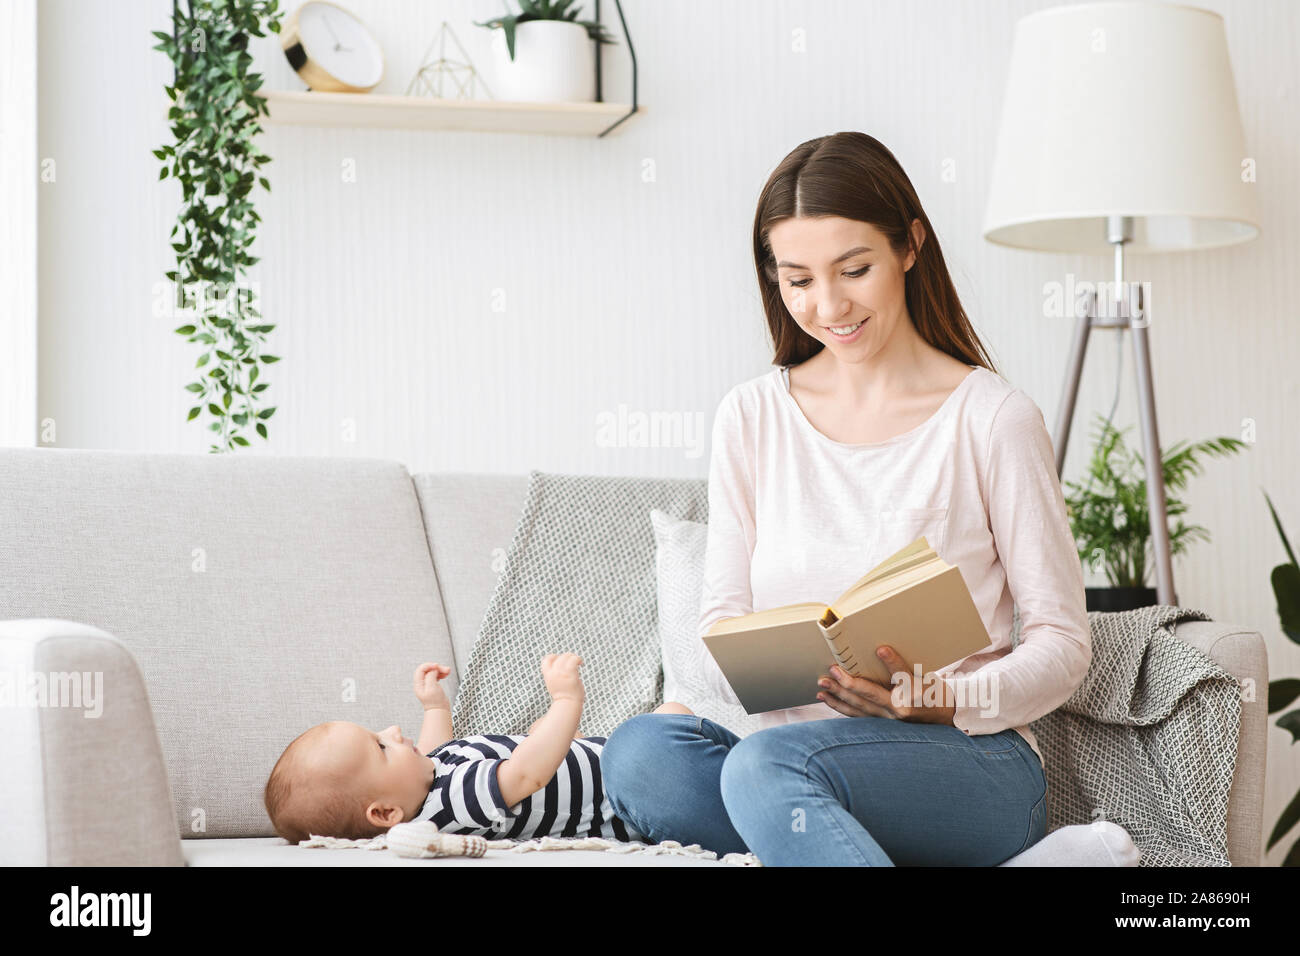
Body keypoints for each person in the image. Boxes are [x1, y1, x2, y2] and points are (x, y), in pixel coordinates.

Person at [600, 131, 1092, 866]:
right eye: (797, 280)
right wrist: (746, 668)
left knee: (766, 771)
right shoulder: (750, 417)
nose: (828, 305)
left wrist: (943, 699)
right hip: (787, 759)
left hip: (963, 762)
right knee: (641, 752)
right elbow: (721, 620)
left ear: (910, 247)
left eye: (853, 269)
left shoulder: (993, 418)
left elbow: (1063, 643)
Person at [263, 656, 692, 844]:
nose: (392, 730)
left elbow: (435, 748)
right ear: (386, 814)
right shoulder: (452, 806)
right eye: (380, 745)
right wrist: (566, 702)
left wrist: (435, 706)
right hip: (625, 796)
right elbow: (527, 775)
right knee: (670, 713)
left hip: (610, 762)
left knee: (544, 731)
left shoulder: (424, 784)